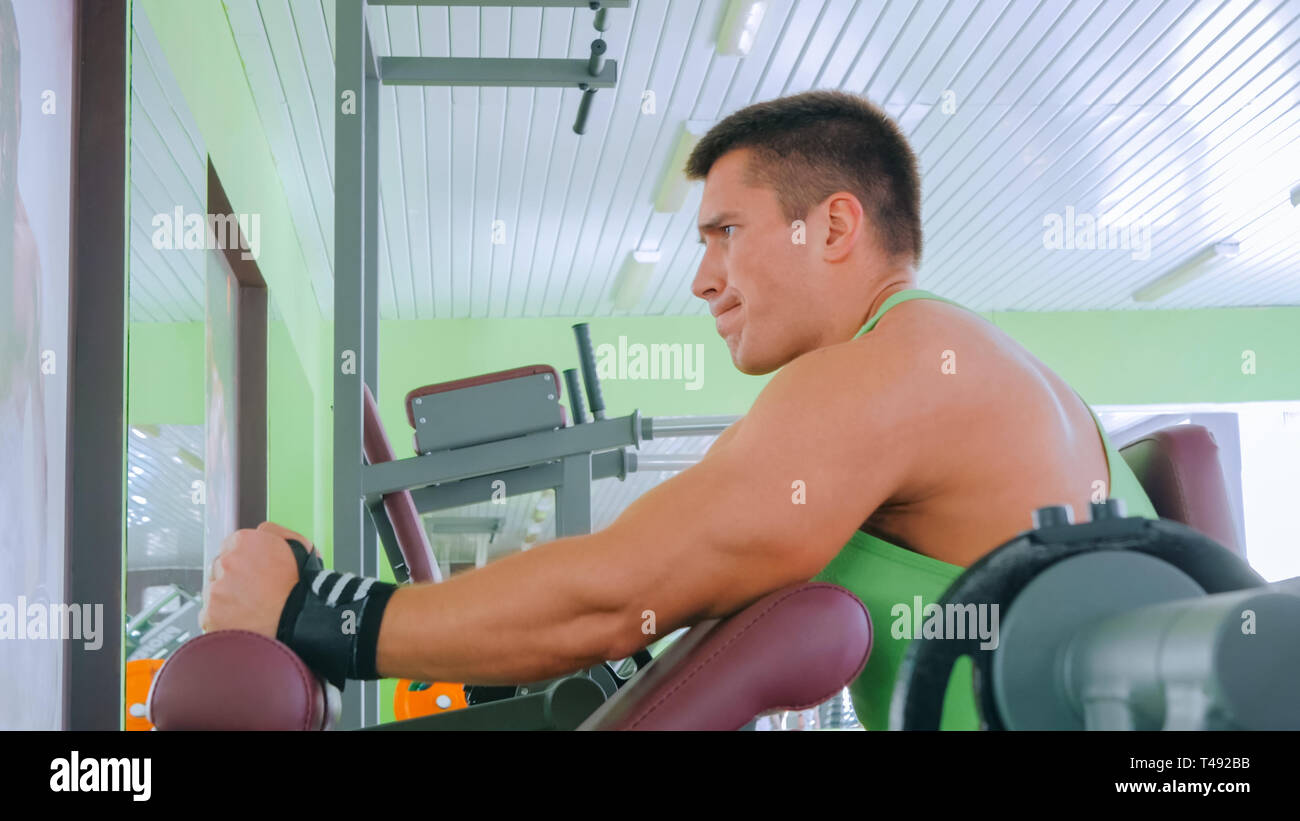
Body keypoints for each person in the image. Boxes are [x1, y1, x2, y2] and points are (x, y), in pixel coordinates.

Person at [201, 90, 1156, 730]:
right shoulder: (998, 371)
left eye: (726, 233)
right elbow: (645, 576)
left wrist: (320, 615)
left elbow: (616, 592)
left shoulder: (894, 369)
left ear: (831, 225)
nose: (704, 280)